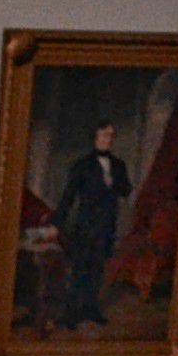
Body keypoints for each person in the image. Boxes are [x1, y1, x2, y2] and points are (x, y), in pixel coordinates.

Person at [53, 122, 133, 330]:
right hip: (85, 227)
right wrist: (57, 223)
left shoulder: (118, 165)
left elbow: (126, 190)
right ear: (96, 138)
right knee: (79, 270)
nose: (109, 139)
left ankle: (91, 309)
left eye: (111, 136)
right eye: (105, 135)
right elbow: (68, 197)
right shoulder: (82, 165)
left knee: (97, 270)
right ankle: (70, 314)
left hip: (106, 227)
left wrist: (112, 181)